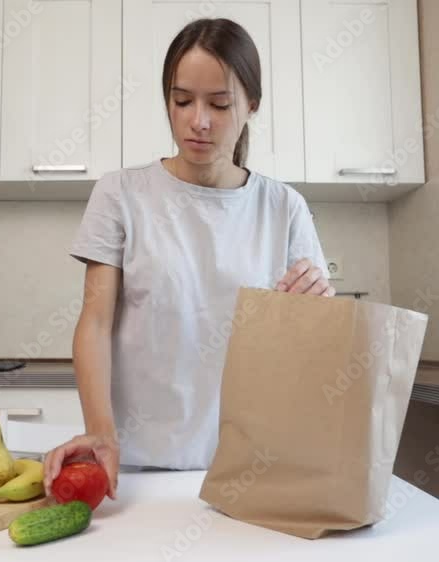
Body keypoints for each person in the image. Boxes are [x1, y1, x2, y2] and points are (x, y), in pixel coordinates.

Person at [43, 18, 333, 501]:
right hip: (136, 470)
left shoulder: (284, 208)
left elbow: (306, 347)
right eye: (182, 101)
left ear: (251, 105)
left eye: (219, 104)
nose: (198, 121)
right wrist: (100, 433)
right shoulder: (120, 194)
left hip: (248, 470)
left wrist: (318, 307)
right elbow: (94, 322)